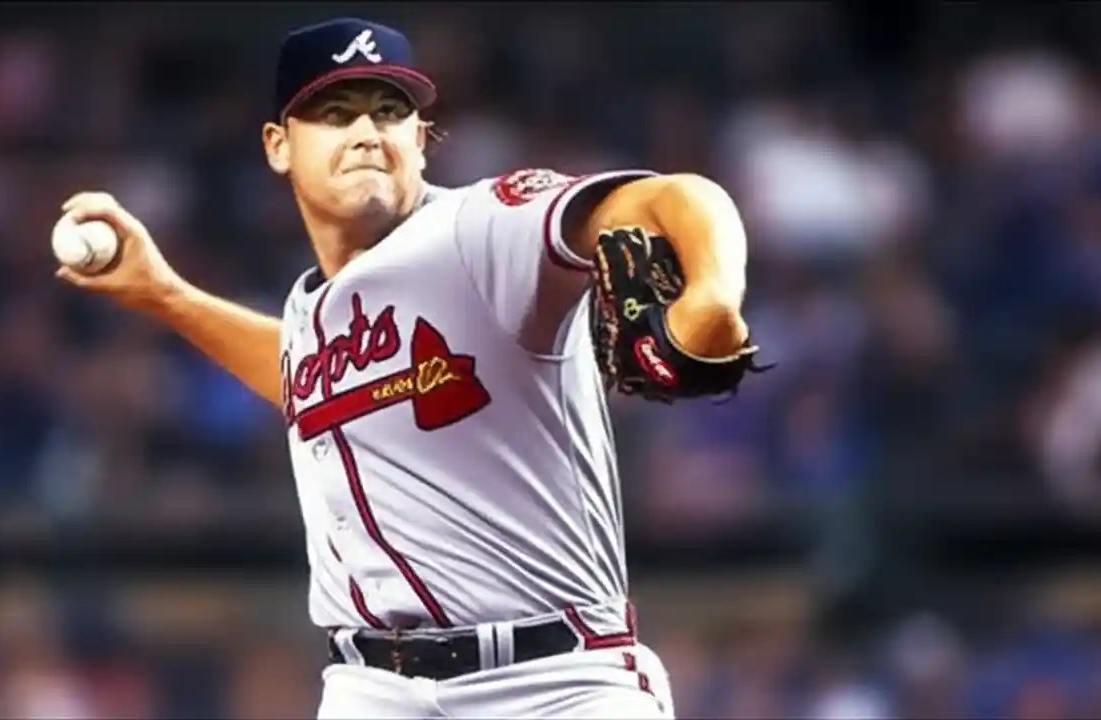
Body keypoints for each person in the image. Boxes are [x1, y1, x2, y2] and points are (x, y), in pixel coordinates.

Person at [56, 16, 753, 718]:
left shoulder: (478, 233)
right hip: (373, 689)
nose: (366, 131)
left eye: (390, 111)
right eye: (334, 113)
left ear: (420, 139)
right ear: (278, 146)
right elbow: (306, 383)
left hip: (556, 683)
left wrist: (713, 299)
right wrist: (165, 295)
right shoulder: (312, 311)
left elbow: (678, 197)